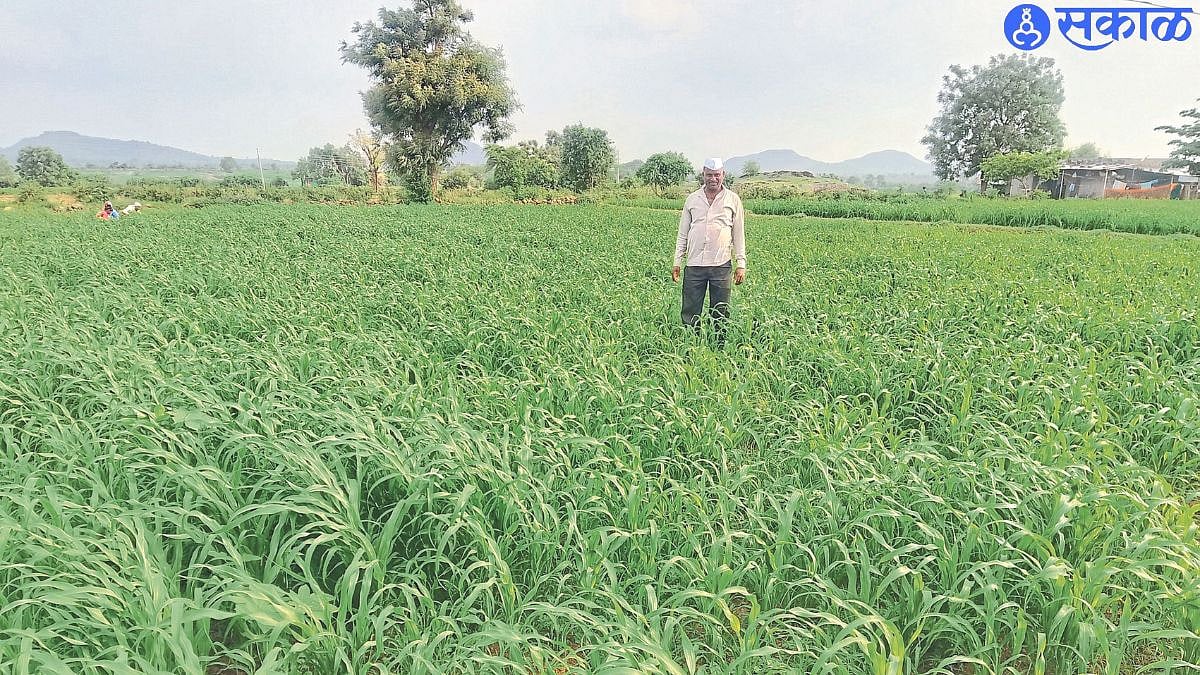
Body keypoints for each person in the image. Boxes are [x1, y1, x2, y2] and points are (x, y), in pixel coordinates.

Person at [672, 157, 746, 345]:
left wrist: (741, 264)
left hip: (721, 265)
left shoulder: (732, 199)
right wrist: (677, 261)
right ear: (703, 175)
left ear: (723, 175)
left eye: (716, 175)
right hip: (695, 264)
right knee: (690, 309)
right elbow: (683, 233)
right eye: (709, 175)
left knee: (720, 310)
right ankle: (690, 345)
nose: (713, 179)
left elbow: (738, 233)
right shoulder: (692, 199)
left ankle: (718, 346)